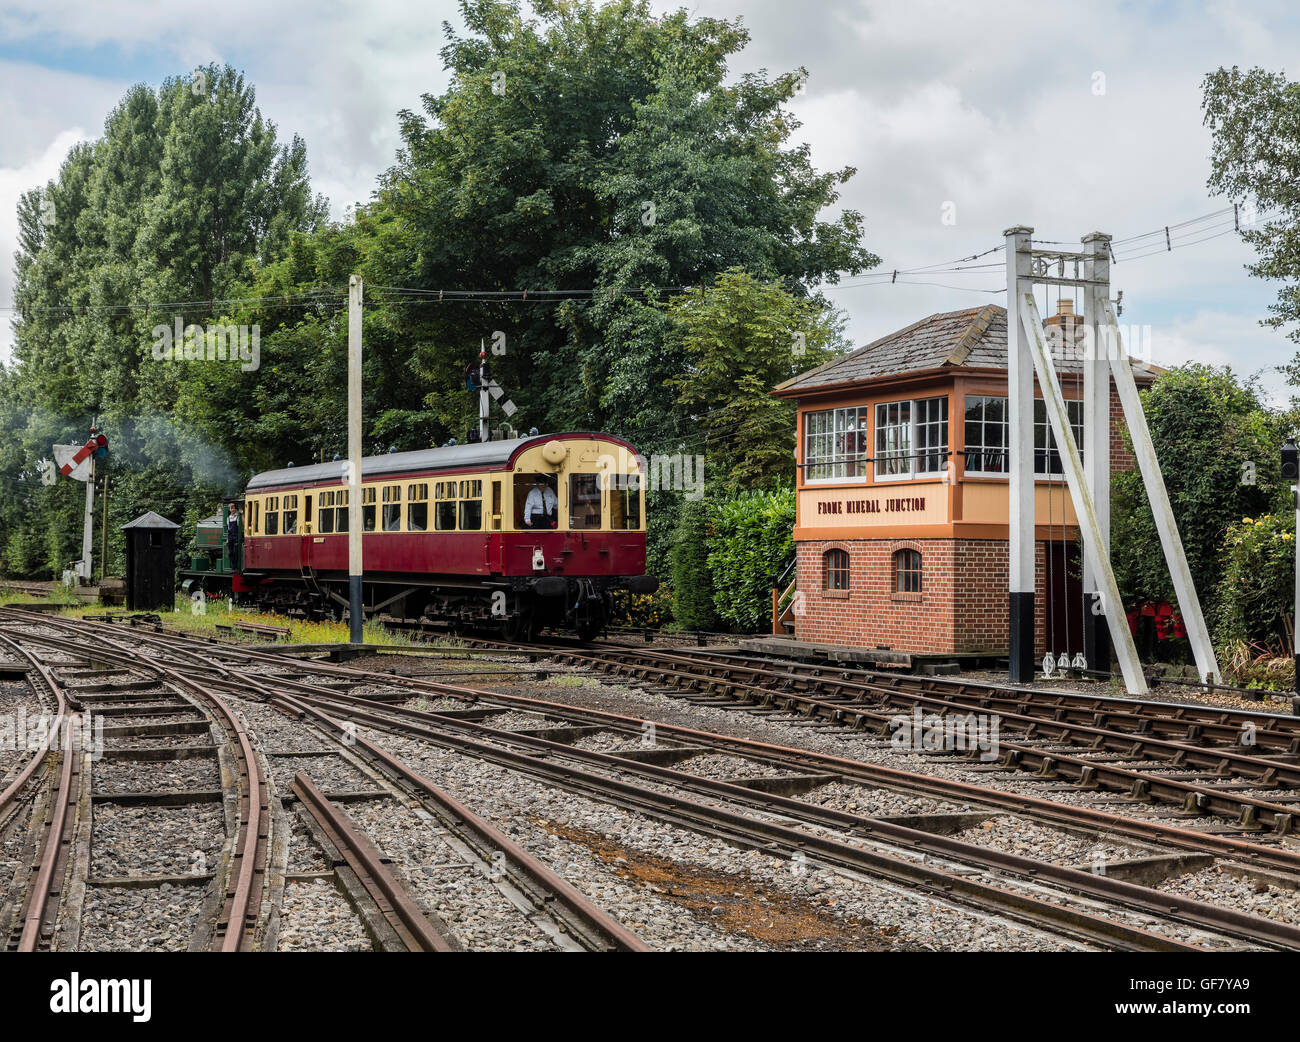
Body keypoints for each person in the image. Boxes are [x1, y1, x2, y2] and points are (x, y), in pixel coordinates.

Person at [226, 503, 242, 571]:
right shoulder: (228, 518)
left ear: (235, 508)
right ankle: (233, 567)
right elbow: (228, 528)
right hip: (230, 536)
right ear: (229, 509)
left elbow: (240, 527)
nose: (232, 509)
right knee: (230, 552)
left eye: (233, 508)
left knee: (236, 552)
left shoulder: (238, 516)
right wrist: (227, 539)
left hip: (236, 536)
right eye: (231, 508)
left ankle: (236, 567)